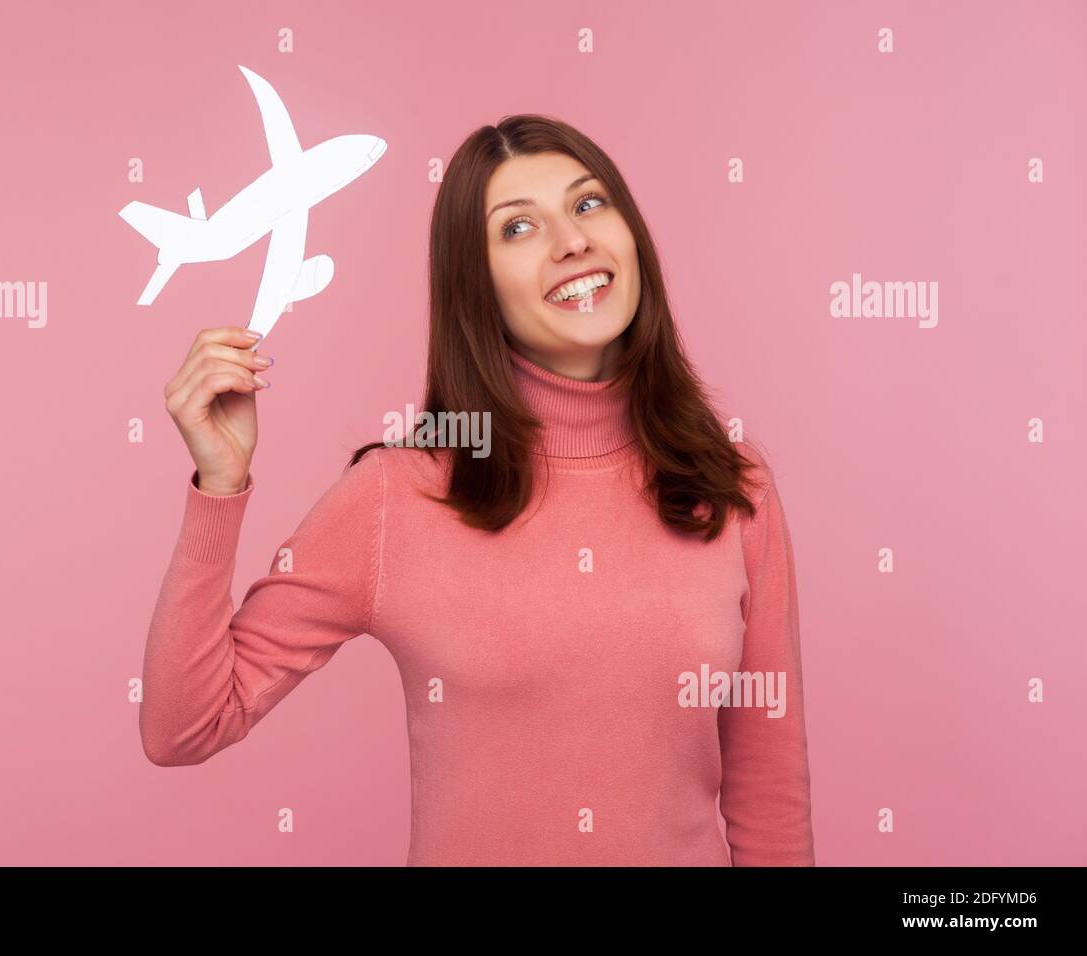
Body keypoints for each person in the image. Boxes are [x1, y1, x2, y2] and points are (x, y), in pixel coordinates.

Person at [140, 115, 815, 867]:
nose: (572, 241)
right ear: (475, 283)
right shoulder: (399, 495)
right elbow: (182, 727)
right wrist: (219, 488)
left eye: (589, 204)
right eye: (519, 227)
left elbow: (768, 789)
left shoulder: (730, 481)